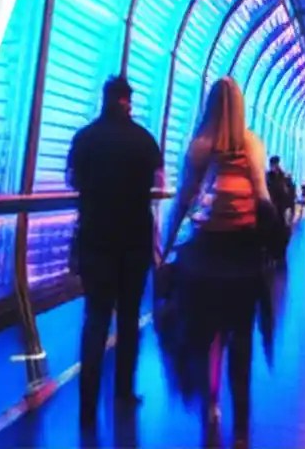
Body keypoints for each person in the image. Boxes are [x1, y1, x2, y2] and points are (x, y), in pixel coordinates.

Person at [160, 77, 271, 447]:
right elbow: (262, 197)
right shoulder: (253, 145)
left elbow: (183, 202)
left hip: (206, 253)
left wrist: (165, 247)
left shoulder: (199, 147)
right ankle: (241, 420)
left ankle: (211, 403)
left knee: (206, 335)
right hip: (242, 254)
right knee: (241, 334)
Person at [66, 76, 164, 429]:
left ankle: (87, 406)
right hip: (134, 242)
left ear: (104, 99)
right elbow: (157, 182)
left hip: (95, 241)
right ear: (128, 101)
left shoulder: (85, 138)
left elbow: (73, 181)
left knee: (95, 320)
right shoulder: (143, 140)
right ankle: (123, 390)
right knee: (128, 318)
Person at [268, 156, 295, 224]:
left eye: (275, 164)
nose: (274, 167)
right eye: (272, 165)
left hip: (282, 206)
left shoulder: (285, 177)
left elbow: (290, 193)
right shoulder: (268, 177)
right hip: (273, 205)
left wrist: (290, 207)